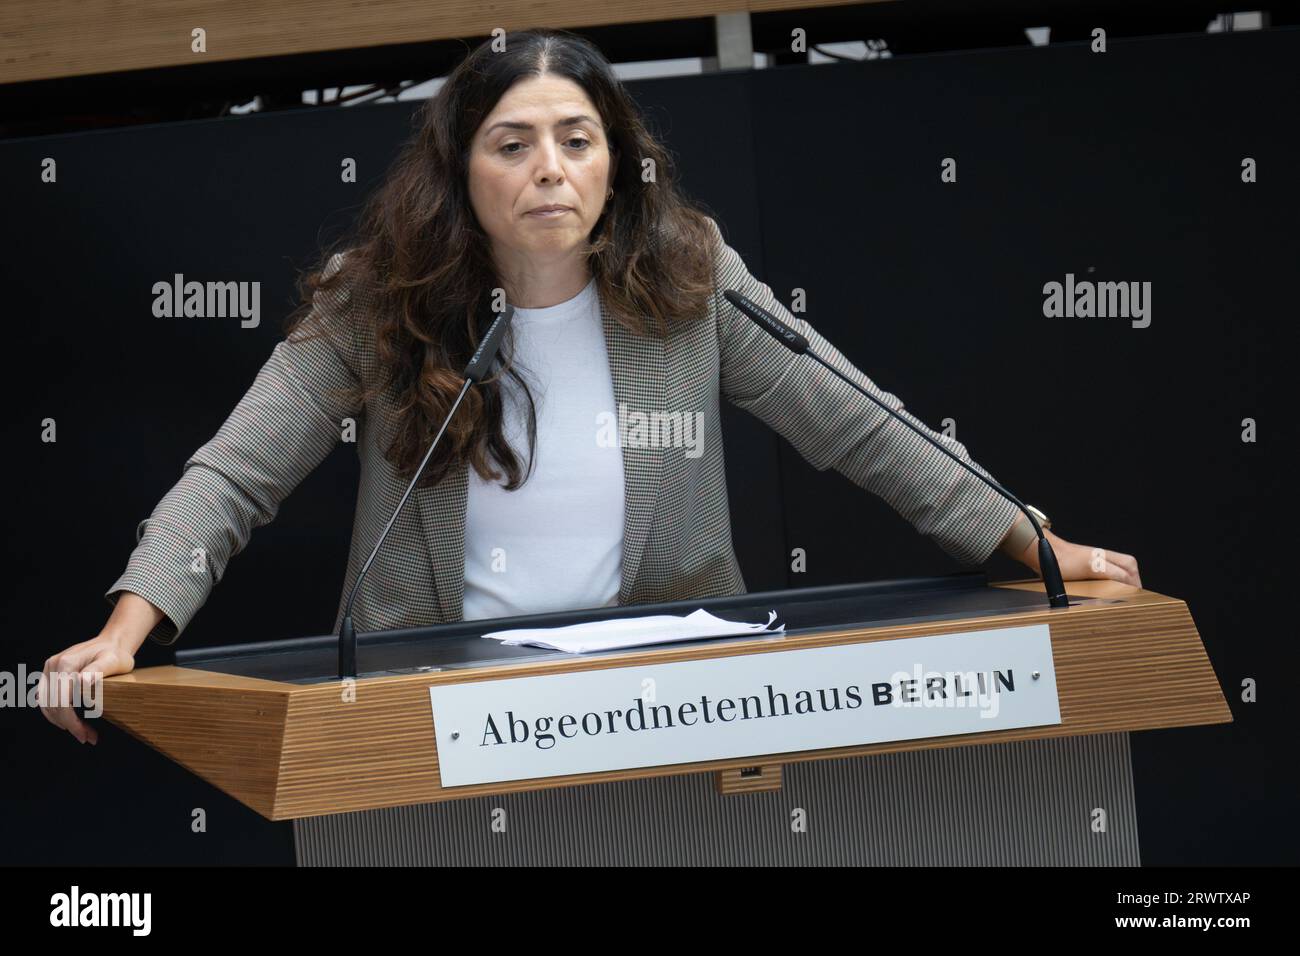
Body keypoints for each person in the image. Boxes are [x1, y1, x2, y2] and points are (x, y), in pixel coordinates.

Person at [41, 28, 1140, 745]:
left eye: (576, 139)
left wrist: (1030, 540)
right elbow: (237, 471)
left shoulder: (693, 281)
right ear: (460, 174)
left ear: (618, 162)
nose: (549, 168)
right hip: (429, 714)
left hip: (656, 706)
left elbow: (854, 421)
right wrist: (131, 624)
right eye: (511, 144)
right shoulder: (375, 300)